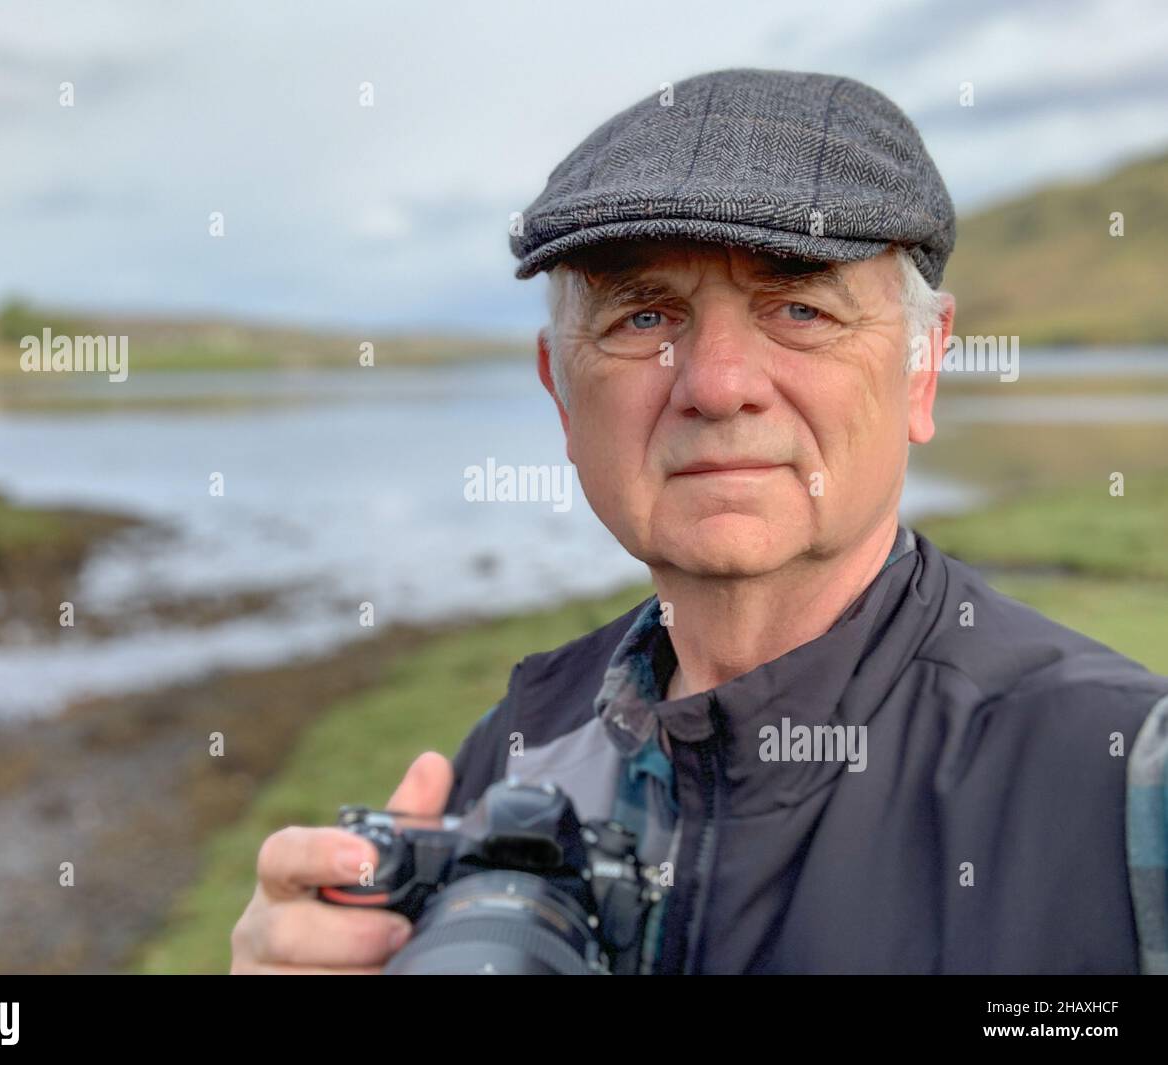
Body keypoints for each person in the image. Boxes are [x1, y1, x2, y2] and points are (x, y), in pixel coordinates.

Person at [230, 67, 1168, 975]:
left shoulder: (1129, 778)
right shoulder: (514, 747)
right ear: (562, 392)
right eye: (643, 318)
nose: (717, 385)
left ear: (922, 369)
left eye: (800, 307)